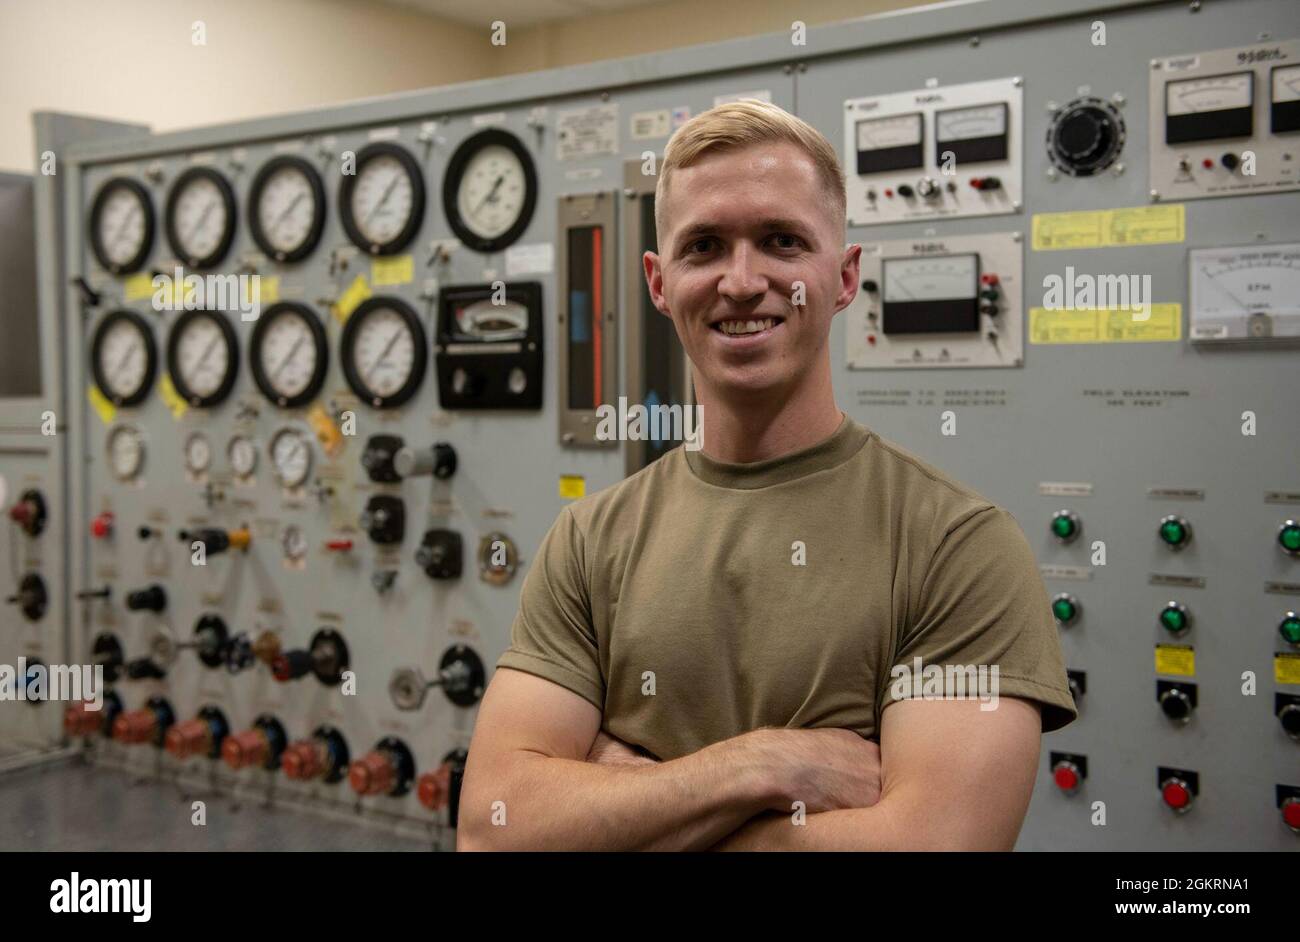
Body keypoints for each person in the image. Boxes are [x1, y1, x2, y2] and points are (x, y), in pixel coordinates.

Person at [457, 99, 1076, 851]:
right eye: (705, 247)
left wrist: (625, 804)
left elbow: (937, 845)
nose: (742, 282)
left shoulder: (956, 545)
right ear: (658, 282)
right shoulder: (589, 541)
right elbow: (494, 831)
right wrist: (762, 767)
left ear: (844, 277)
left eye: (781, 242)